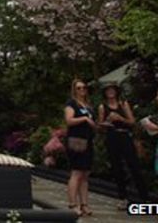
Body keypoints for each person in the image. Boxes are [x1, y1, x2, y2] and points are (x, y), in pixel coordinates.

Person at [97, 81, 148, 205]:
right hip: (112, 136)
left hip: (125, 135)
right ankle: (122, 197)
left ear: (116, 91)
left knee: (133, 165)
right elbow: (100, 126)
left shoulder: (123, 104)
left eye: (112, 90)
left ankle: (144, 196)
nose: (110, 92)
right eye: (108, 90)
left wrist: (120, 119)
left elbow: (132, 122)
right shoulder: (102, 107)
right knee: (116, 167)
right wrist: (106, 122)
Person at [64, 78, 96, 217]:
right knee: (76, 172)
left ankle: (84, 204)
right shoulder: (72, 104)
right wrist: (84, 119)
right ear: (74, 90)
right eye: (79, 88)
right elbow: (69, 120)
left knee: (85, 173)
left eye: (84, 88)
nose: (82, 90)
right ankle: (73, 203)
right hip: (76, 140)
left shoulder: (88, 105)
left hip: (88, 140)